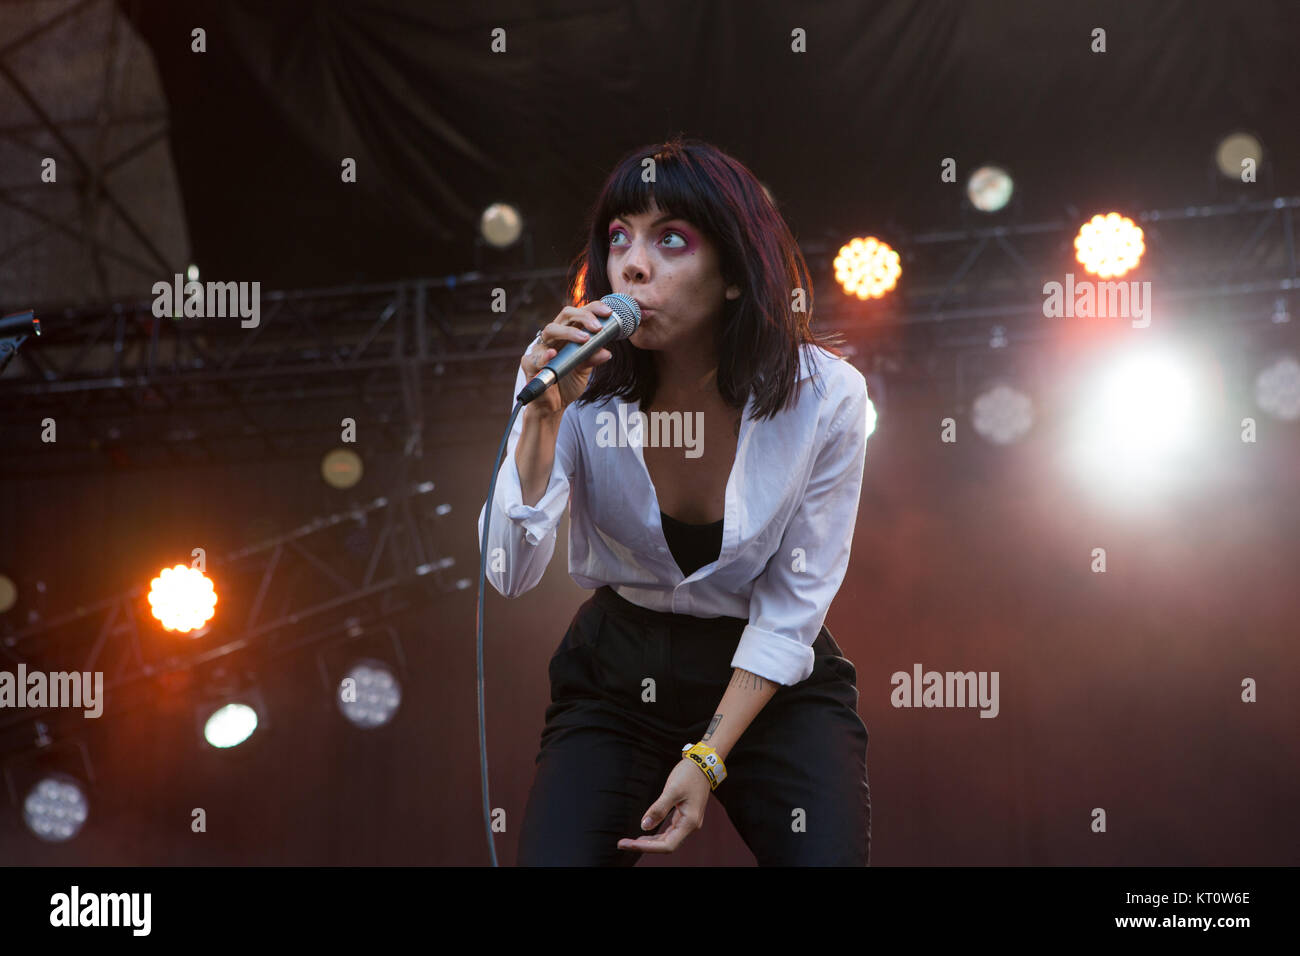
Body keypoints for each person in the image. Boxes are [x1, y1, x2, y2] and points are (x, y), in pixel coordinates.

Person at [477, 136, 872, 866]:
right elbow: (508, 572)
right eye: (619, 236)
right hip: (619, 673)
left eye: (673, 240)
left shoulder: (826, 396)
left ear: (732, 273)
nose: (632, 261)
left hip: (769, 680)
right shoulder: (570, 384)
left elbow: (795, 599)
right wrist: (539, 419)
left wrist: (708, 756)